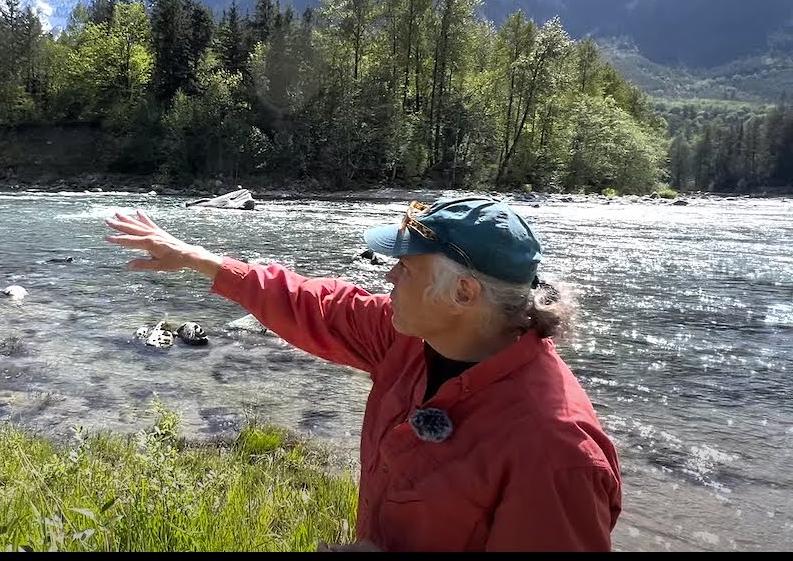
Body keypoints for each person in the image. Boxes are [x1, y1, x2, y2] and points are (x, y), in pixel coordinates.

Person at [104, 195, 622, 552]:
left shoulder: (556, 452)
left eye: (406, 267)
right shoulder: (412, 339)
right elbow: (316, 305)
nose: (389, 276)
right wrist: (198, 259)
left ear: (463, 294)